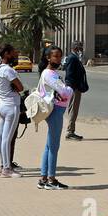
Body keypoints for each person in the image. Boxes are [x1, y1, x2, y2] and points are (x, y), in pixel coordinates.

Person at [35, 46, 74, 190]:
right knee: (54, 146)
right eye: (55, 56)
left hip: (56, 109)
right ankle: (51, 179)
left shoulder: (52, 73)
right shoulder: (49, 74)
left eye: (60, 56)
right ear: (48, 58)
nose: (58, 59)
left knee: (49, 145)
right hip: (55, 110)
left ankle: (43, 178)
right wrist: (69, 88)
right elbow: (64, 92)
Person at [0, 44, 24, 178]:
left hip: (2, 105)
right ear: (7, 54)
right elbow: (20, 87)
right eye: (14, 52)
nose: (16, 55)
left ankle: (2, 165)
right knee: (7, 139)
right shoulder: (8, 70)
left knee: (0, 137)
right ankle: (7, 168)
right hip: (11, 106)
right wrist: (16, 87)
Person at [62, 42, 89, 141]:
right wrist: (73, 87)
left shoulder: (74, 57)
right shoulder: (72, 58)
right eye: (80, 48)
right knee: (73, 109)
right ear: (76, 48)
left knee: (74, 109)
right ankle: (70, 132)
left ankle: (71, 130)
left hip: (75, 87)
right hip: (74, 88)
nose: (81, 49)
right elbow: (69, 74)